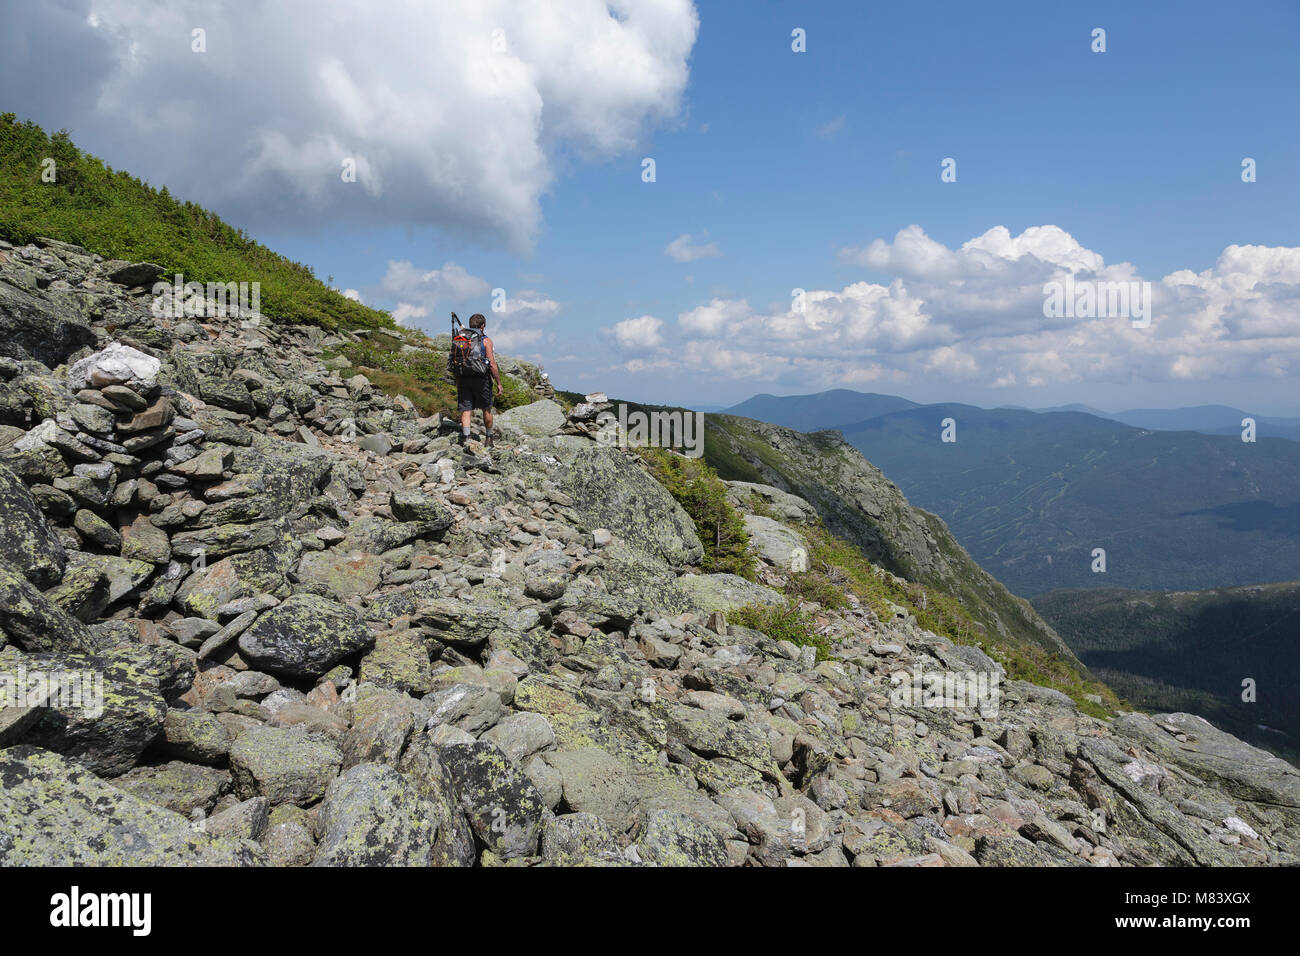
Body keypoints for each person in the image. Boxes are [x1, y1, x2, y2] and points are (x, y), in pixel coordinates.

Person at [455, 313, 503, 448]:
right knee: (486, 409)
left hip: (464, 377)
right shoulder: (486, 340)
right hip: (481, 378)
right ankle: (489, 438)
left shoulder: (461, 338)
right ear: (483, 326)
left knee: (466, 409)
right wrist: (499, 383)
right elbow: (492, 364)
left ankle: (466, 438)